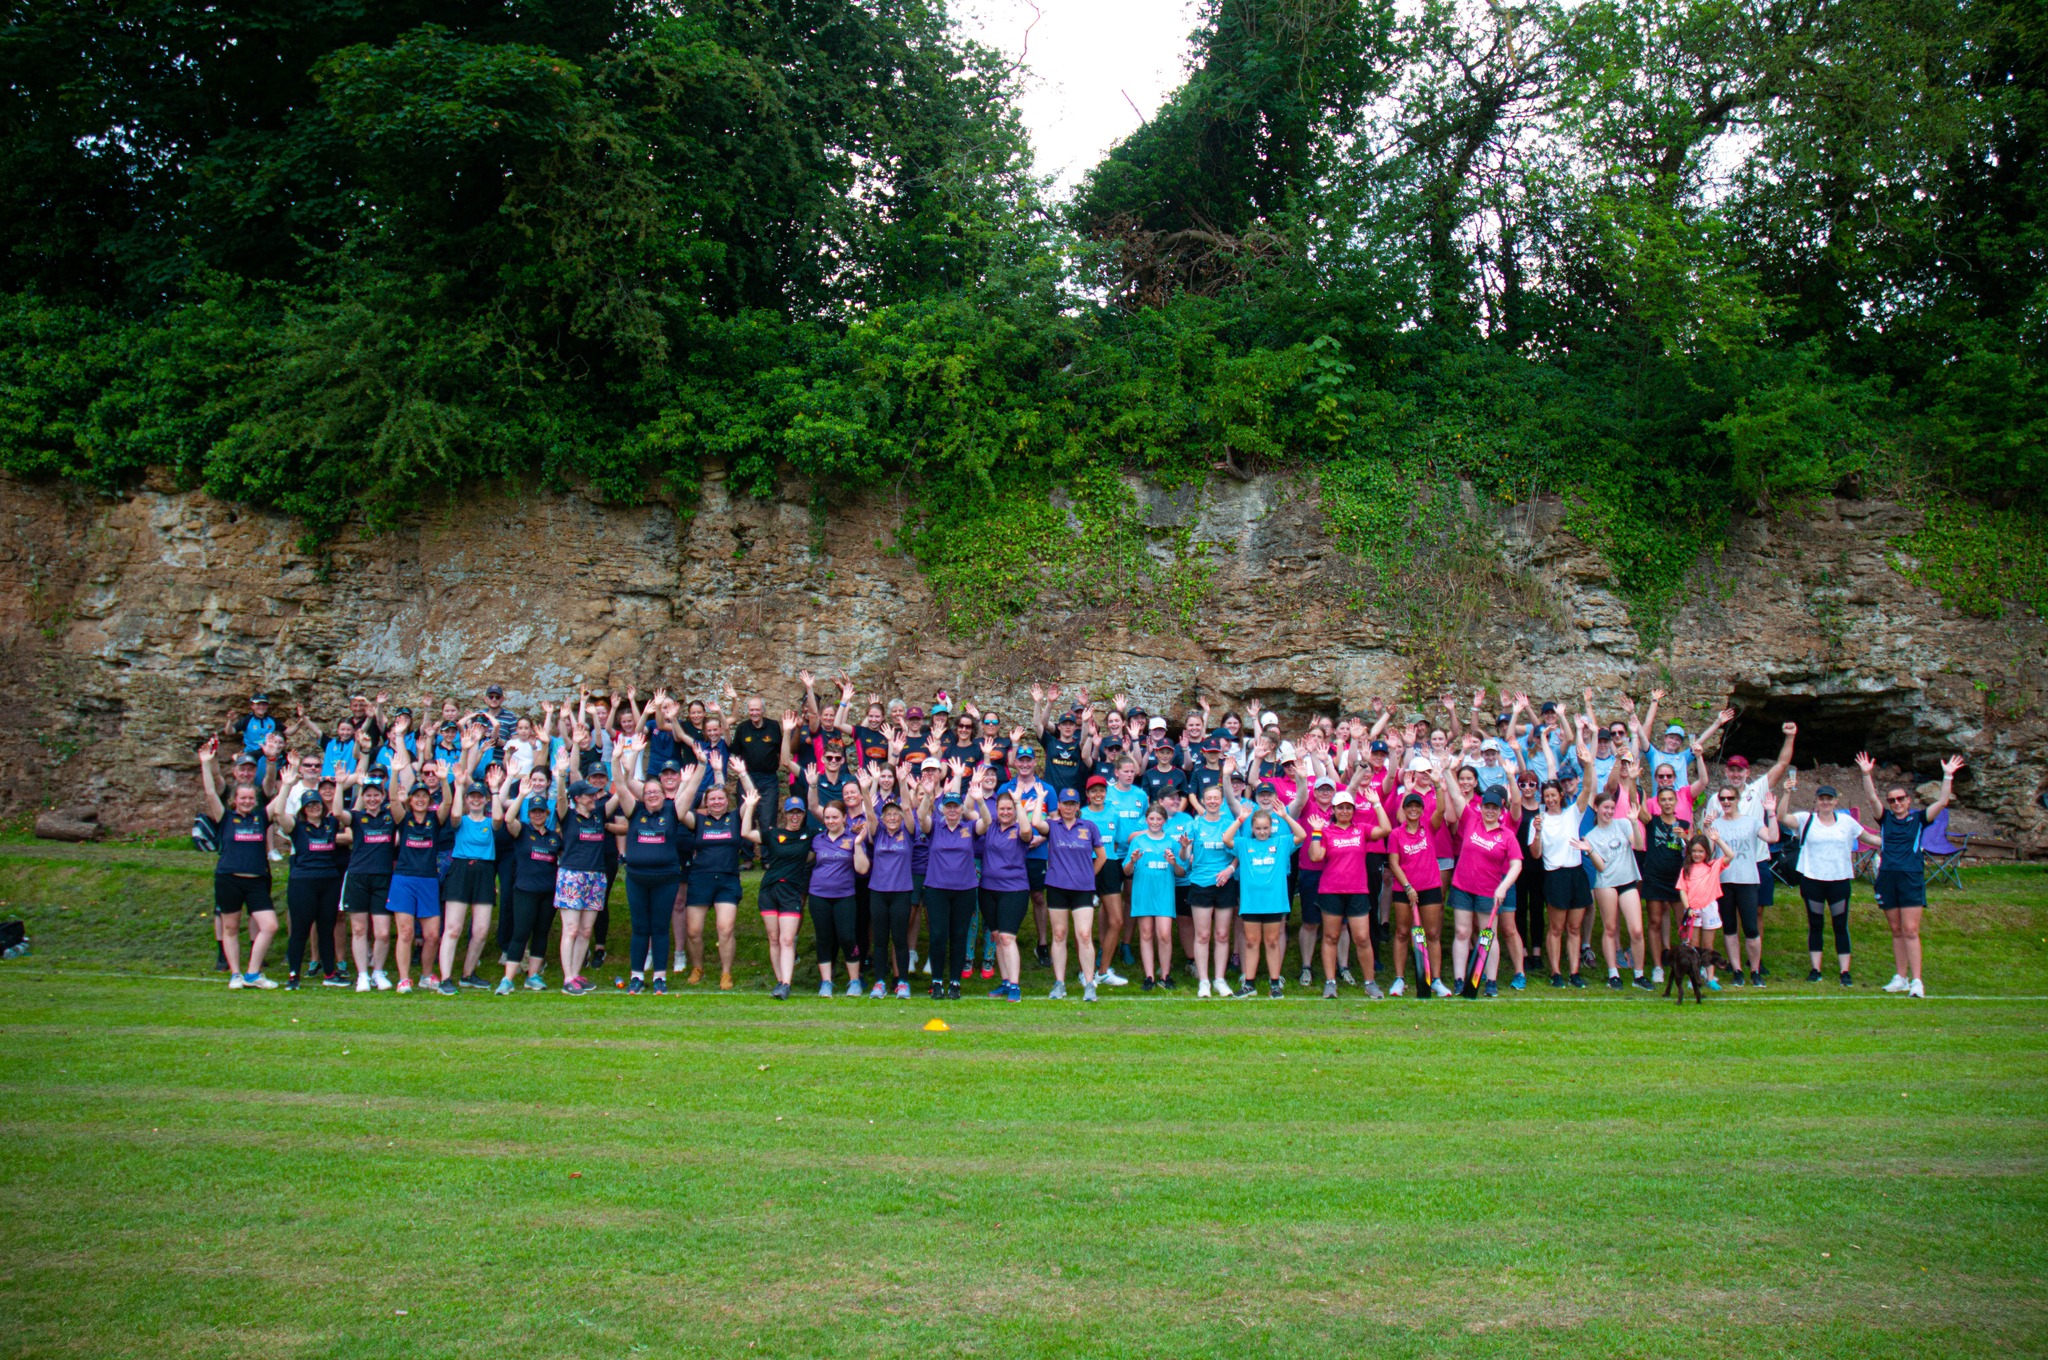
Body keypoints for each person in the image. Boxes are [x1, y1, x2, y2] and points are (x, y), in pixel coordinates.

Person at [1857, 751, 1965, 998]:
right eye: (1892, 800)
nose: (1896, 803)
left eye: (1900, 799)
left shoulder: (1918, 819)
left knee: (1910, 929)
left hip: (1911, 877)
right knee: (1896, 929)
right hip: (1887, 876)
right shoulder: (1885, 818)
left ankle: (1917, 981)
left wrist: (1948, 776)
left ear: (1908, 801)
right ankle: (1900, 977)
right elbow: (1871, 798)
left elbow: (1942, 802)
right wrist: (1866, 774)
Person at [197, 737, 280, 989]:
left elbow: (279, 799)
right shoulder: (225, 817)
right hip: (229, 879)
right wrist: (205, 763)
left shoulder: (261, 817)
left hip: (256, 880)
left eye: (250, 799)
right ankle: (236, 974)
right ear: (235, 800)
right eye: (243, 798)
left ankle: (253, 973)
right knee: (231, 928)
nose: (247, 801)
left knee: (270, 925)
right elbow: (210, 793)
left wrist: (289, 779)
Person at [609, 733, 688, 994]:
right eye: (648, 792)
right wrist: (617, 759)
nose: (652, 795)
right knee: (640, 927)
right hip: (637, 878)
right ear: (642, 796)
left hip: (666, 878)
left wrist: (699, 766)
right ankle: (637, 976)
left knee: (660, 928)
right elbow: (621, 785)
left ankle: (660, 978)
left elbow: (690, 790)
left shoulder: (671, 811)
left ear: (663, 795)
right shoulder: (635, 811)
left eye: (656, 792)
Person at [1784, 782, 1880, 986]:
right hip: (1812, 879)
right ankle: (1815, 969)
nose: (1825, 802)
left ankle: (1845, 971)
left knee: (1840, 925)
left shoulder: (1846, 821)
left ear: (1836, 801)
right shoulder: (1806, 819)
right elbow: (1782, 817)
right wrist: (1786, 793)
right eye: (1822, 799)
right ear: (1816, 801)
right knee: (1815, 924)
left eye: (1829, 799)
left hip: (1839, 880)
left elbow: (1868, 838)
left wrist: (1895, 841)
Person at [1305, 786, 1390, 999]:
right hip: (1331, 890)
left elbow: (1385, 829)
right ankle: (1330, 982)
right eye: (1340, 807)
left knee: (1362, 937)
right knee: (1331, 936)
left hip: (1357, 890)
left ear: (1353, 810)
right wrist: (1316, 832)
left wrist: (1376, 804)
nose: (1344, 811)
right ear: (1334, 810)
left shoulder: (1361, 829)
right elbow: (1315, 856)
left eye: (1348, 808)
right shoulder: (1326, 831)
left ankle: (1370, 982)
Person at [1699, 780, 1780, 987]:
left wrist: (1771, 813)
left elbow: (1773, 837)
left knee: (1751, 928)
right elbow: (1707, 854)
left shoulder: (1751, 822)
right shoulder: (1716, 823)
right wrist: (1705, 827)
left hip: (1747, 880)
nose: (1726, 802)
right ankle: (1737, 970)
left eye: (1730, 798)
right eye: (1722, 799)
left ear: (1738, 800)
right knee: (1730, 928)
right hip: (1725, 881)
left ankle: (1755, 970)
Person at [1445, 785, 1523, 997]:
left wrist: (1503, 887)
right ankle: (1459, 980)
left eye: (1494, 808)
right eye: (1487, 807)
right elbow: (1456, 796)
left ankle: (1491, 981)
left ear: (1501, 811)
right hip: (1463, 887)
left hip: (1489, 891)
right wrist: (1447, 772)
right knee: (1462, 932)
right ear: (1481, 807)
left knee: (1488, 935)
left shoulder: (1506, 835)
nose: (1490, 811)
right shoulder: (1472, 820)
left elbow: (1517, 864)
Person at [272, 779, 349, 989]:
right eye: (309, 805)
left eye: (316, 804)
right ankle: (293, 976)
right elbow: (279, 813)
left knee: (326, 929)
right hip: (303, 883)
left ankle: (330, 974)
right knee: (300, 929)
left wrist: (340, 786)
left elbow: (339, 812)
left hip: (329, 882)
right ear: (303, 809)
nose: (314, 807)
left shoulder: (330, 824)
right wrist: (286, 786)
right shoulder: (297, 827)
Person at [1223, 802, 1304, 998]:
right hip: (1251, 903)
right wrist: (1241, 819)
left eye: (1265, 828)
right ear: (1252, 828)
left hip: (1274, 902)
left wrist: (1285, 816)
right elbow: (1226, 838)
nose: (1262, 832)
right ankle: (1249, 984)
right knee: (1251, 941)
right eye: (1258, 828)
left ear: (1271, 828)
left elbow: (1301, 835)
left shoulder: (1282, 843)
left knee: (1272, 941)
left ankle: (1275, 984)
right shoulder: (1244, 844)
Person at [919, 777, 989, 1001]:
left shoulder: (969, 827)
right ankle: (937, 981)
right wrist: (928, 795)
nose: (952, 810)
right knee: (938, 936)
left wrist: (980, 801)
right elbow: (921, 817)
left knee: (959, 936)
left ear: (961, 809)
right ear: (943, 809)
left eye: (955, 806)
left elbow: (986, 822)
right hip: (936, 889)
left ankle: (955, 982)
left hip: (964, 890)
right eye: (948, 806)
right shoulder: (935, 827)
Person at [679, 762, 747, 990]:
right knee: (693, 931)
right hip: (700, 879)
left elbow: (751, 799)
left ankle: (726, 973)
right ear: (706, 803)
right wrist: (687, 783)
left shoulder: (735, 818)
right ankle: (697, 967)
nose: (717, 802)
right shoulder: (698, 820)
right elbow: (679, 811)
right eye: (712, 799)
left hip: (727, 879)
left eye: (720, 798)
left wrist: (742, 774)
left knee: (725, 929)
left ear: (727, 801)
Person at [551, 753, 612, 996]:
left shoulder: (598, 815)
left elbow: (620, 794)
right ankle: (567, 978)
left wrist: (624, 766)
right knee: (571, 929)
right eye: (589, 794)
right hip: (572, 875)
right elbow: (560, 799)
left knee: (586, 930)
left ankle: (576, 975)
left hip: (596, 875)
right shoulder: (568, 816)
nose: (594, 797)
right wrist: (561, 775)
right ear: (578, 798)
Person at [1580, 786, 1653, 991]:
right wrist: (1590, 851)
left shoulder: (1623, 824)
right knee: (1610, 928)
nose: (1609, 812)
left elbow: (1639, 845)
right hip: (1606, 884)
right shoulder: (1591, 836)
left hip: (1628, 880)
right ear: (1596, 808)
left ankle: (1639, 975)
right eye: (1605, 808)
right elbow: (1601, 867)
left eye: (1612, 808)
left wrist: (1634, 822)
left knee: (1636, 930)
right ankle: (1613, 974)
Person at [498, 782, 565, 993]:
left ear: (547, 813)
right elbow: (508, 819)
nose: (537, 815)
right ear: (528, 814)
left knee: (541, 933)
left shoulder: (554, 838)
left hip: (548, 892)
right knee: (520, 933)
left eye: (541, 811)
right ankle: (508, 979)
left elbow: (563, 858)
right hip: (525, 890)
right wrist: (521, 796)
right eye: (533, 811)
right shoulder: (523, 831)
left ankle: (533, 976)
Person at [1042, 786, 1107, 1000]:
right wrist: (1041, 798)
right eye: (1065, 804)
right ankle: (1059, 983)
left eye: (1073, 804)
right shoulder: (1053, 826)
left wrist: (1088, 874)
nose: (1069, 808)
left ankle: (1089, 983)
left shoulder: (1089, 826)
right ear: (1059, 806)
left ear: (1078, 806)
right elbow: (1035, 825)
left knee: (1085, 935)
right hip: (1057, 887)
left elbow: (1102, 856)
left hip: (1082, 889)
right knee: (1059, 934)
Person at [748, 792, 814, 1000]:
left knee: (787, 939)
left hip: (791, 892)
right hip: (769, 890)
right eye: (791, 813)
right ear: (785, 814)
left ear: (803, 814)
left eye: (798, 813)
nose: (795, 817)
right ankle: (780, 981)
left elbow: (829, 833)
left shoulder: (809, 834)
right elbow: (745, 833)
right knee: (774, 938)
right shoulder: (773, 834)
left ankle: (786, 983)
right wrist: (749, 807)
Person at [1385, 786, 1450, 998]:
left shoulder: (1429, 827)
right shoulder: (1396, 834)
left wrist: (1438, 786)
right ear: (1404, 810)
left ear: (1422, 810)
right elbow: (1394, 863)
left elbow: (1441, 810)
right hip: (1404, 889)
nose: (1413, 809)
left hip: (1429, 887)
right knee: (1402, 932)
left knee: (1432, 934)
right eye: (1409, 806)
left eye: (1417, 806)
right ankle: (1399, 979)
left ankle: (1436, 980)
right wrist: (1408, 887)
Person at [1182, 782, 1239, 998]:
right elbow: (1185, 858)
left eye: (1216, 798)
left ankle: (1220, 980)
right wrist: (1184, 847)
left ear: (1222, 801)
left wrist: (1230, 870)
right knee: (1203, 935)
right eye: (1209, 798)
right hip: (1200, 884)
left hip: (1224, 884)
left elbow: (1239, 853)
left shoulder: (1229, 823)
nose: (1213, 801)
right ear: (1203, 801)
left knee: (1222, 934)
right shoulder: (1195, 825)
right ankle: (1204, 981)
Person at [858, 793, 918, 998]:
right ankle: (879, 982)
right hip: (878, 892)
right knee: (880, 940)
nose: (892, 817)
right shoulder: (878, 833)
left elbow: (908, 808)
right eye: (888, 814)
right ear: (882, 818)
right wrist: (865, 790)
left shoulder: (908, 833)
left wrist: (902, 783)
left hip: (901, 892)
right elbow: (869, 814)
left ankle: (903, 982)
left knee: (900, 939)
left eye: (895, 814)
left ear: (901, 817)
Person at [1676, 835, 1730, 988]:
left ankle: (1710, 977)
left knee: (1708, 945)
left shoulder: (1713, 866)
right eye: (1694, 851)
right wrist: (1688, 908)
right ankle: (1694, 976)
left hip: (1709, 908)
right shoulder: (1686, 869)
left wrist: (1718, 840)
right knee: (1693, 945)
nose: (1697, 854)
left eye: (1701, 851)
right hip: (1694, 910)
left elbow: (1730, 855)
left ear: (1706, 852)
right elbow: (1682, 890)